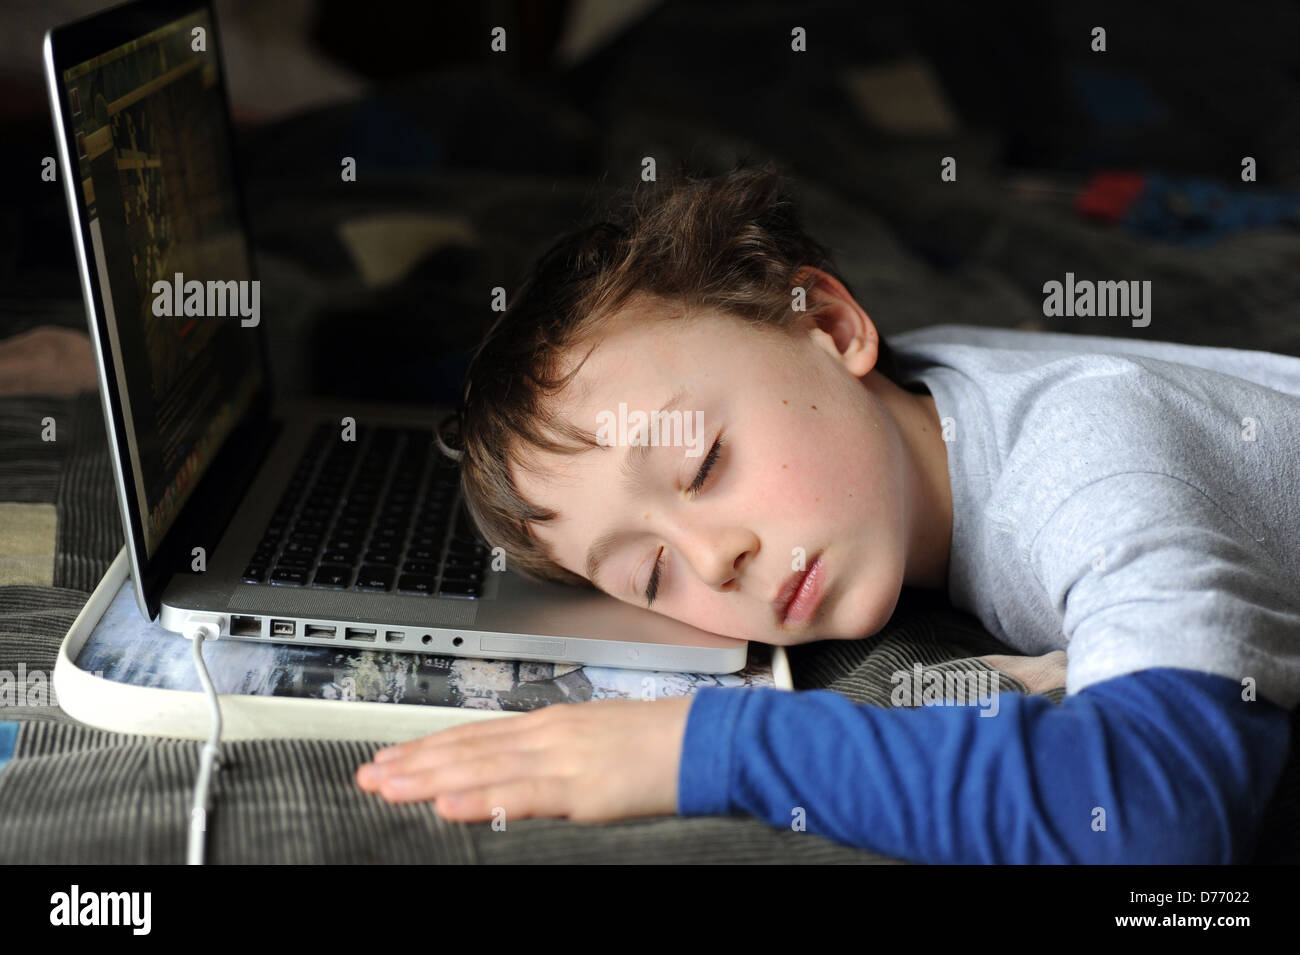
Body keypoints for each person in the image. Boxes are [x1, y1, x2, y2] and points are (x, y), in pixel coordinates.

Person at [355, 163, 1298, 863]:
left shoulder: (1086, 461)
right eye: (650, 575)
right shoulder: (932, 398)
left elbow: (1158, 813)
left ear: (834, 328)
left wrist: (713, 744)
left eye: (704, 460)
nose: (715, 559)